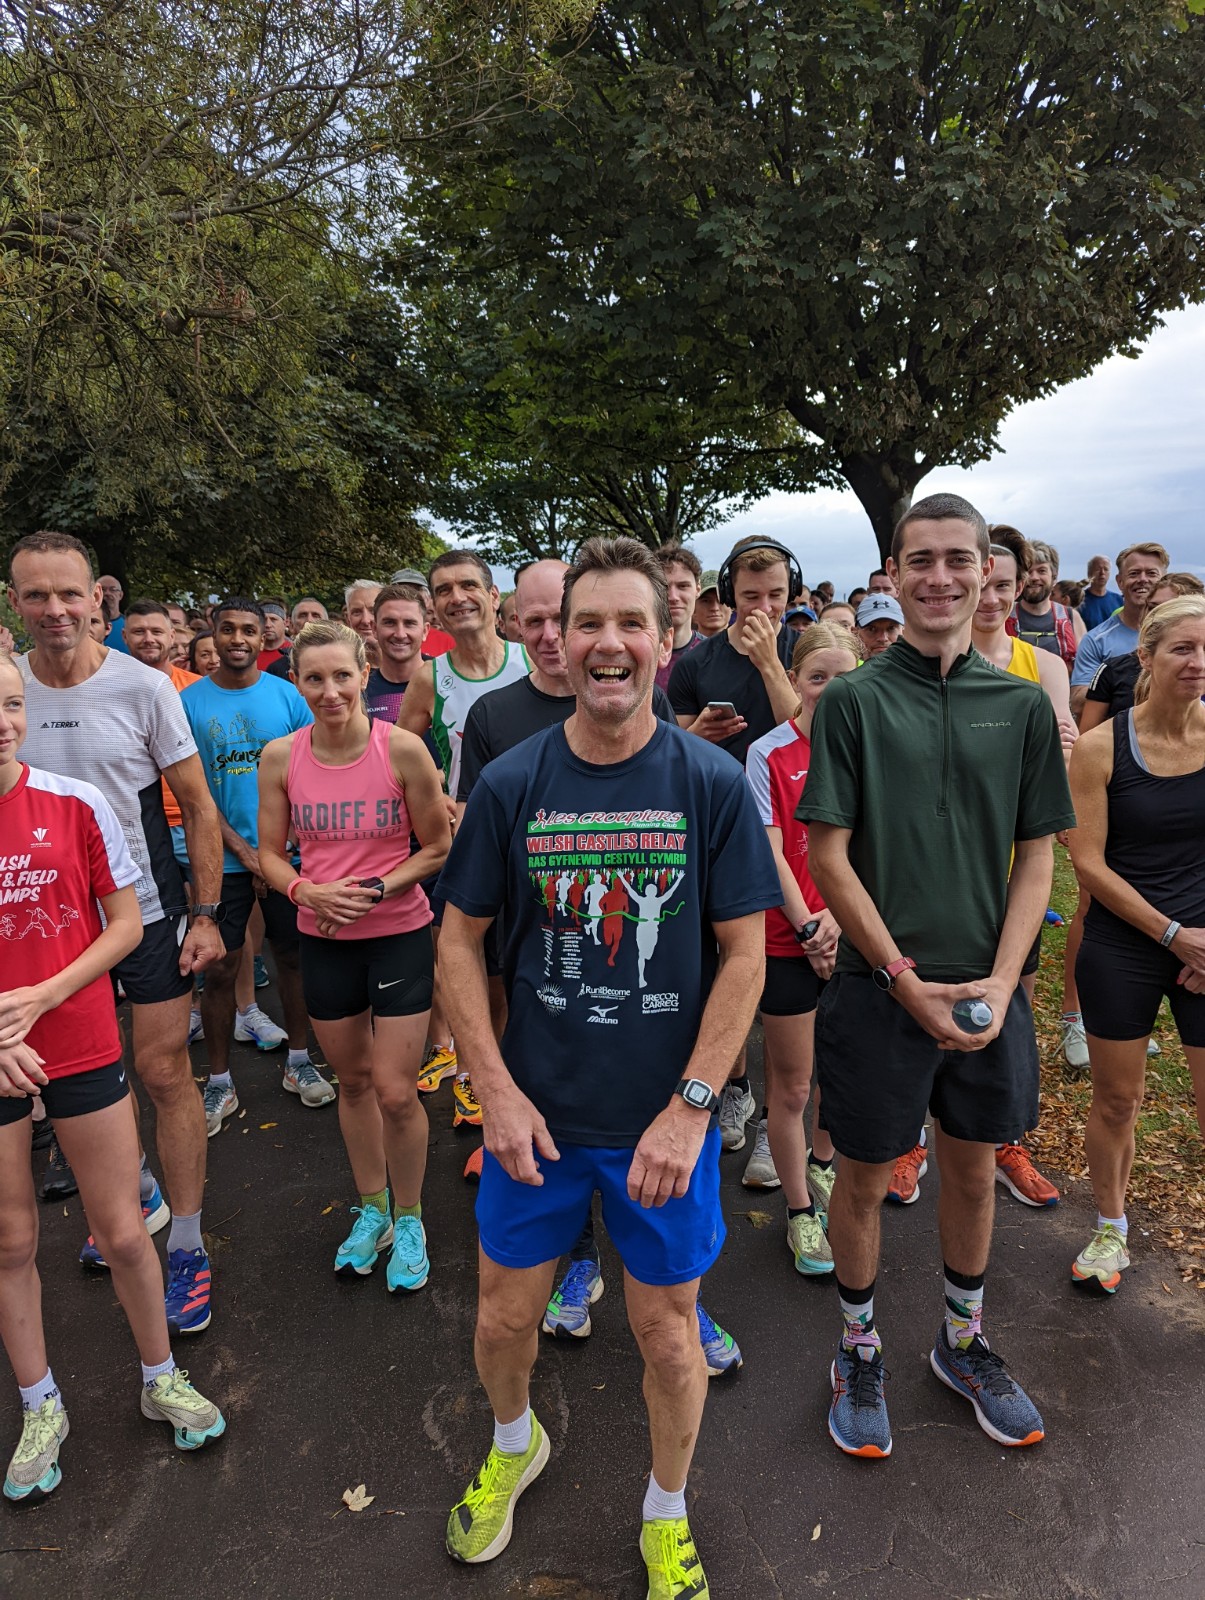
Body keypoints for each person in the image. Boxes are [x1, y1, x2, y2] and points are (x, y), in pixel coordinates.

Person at [436, 536, 779, 1592]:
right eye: (587, 622)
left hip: (657, 1126)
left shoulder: (710, 782)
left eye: (631, 622)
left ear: (666, 640)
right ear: (556, 636)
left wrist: (689, 1108)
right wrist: (490, 1089)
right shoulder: (509, 780)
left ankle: (664, 1510)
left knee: (666, 1336)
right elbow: (456, 939)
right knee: (501, 1314)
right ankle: (510, 1445)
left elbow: (742, 954)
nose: (607, 642)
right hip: (534, 1120)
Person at [799, 492, 1075, 1459]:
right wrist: (904, 978)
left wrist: (1001, 986)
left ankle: (961, 1344)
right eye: (920, 560)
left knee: (969, 1169)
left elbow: (1037, 855)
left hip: (984, 990)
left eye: (959, 559)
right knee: (866, 1177)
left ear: (985, 571)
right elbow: (828, 856)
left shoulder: (1021, 704)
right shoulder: (855, 701)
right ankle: (858, 1348)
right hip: (882, 992)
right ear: (893, 571)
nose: (941, 578)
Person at [0, 648, 225, 1503]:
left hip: (80, 1034)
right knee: (12, 1238)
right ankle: (39, 1402)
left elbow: (127, 923)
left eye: (12, 705)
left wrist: (42, 995)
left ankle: (159, 1375)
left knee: (126, 1230)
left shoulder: (77, 801)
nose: (2, 722)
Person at [10, 532, 226, 1336]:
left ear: (99, 596)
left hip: (146, 909)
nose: (55, 610)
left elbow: (199, 806)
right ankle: (130, 1200)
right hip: (50, 926)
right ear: (16, 602)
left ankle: (190, 1248)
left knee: (162, 1072)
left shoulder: (142, 687)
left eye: (70, 594)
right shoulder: (12, 693)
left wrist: (205, 914)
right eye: (37, 595)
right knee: (78, 1084)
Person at [258, 621, 451, 1287]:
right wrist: (307, 891)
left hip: (395, 934)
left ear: (363, 674)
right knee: (355, 1083)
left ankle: (412, 1214)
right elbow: (268, 854)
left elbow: (435, 847)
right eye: (315, 678)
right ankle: (372, 1209)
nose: (330, 690)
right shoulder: (281, 756)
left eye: (342, 675)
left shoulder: (401, 750)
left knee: (398, 1091)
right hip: (326, 942)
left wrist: (372, 887)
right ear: (297, 683)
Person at [1067, 596, 1205, 1293]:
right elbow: (1086, 863)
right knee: (1116, 1101)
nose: (1198, 662)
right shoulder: (1099, 748)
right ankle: (1109, 1228)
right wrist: (1174, 937)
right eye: (1182, 648)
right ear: (1143, 658)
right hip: (1126, 944)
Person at [180, 598, 335, 1133]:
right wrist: (247, 855)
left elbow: (308, 773)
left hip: (287, 855)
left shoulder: (287, 695)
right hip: (219, 858)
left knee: (291, 958)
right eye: (228, 630)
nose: (239, 638)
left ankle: (299, 1062)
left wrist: (275, 852)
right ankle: (219, 1082)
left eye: (249, 629)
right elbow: (195, 793)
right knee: (220, 968)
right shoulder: (190, 703)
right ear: (213, 636)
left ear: (263, 636)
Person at [398, 552, 530, 1127]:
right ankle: (477, 1076)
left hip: (539, 835)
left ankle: (512, 1071)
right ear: (434, 608)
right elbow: (398, 756)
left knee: (525, 964)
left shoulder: (530, 661)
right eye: (445, 590)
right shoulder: (432, 675)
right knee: (471, 962)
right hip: (469, 839)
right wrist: (436, 802)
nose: (458, 597)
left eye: (469, 585)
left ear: (494, 595)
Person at [745, 623, 856, 1273]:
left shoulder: (871, 749)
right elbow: (768, 846)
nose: (830, 690)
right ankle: (798, 1213)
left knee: (838, 1078)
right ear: (794, 682)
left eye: (844, 678)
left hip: (854, 938)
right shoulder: (767, 751)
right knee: (789, 1087)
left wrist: (842, 923)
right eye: (817, 678)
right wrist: (812, 927)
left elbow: (872, 847)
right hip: (787, 942)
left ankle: (822, 1165)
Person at [668, 535, 799, 766]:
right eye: (751, 596)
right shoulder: (694, 664)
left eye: (776, 594)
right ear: (729, 595)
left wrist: (769, 663)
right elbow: (674, 757)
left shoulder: (810, 654)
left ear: (792, 590)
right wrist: (695, 735)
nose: (765, 607)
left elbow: (807, 740)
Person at [1081, 572, 1205, 731]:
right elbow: (1086, 737)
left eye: (1171, 608)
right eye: (1153, 607)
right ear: (1144, 657)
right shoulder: (1114, 669)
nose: (1198, 663)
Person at [1070, 543, 1170, 718]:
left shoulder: (1186, 636)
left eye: (1152, 573)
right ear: (1120, 582)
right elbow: (1078, 703)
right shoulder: (1096, 640)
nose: (1143, 579)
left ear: (1164, 580)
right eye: (1134, 573)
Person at [1005, 536, 1084, 671]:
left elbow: (1084, 668)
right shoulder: (1004, 615)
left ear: (1054, 576)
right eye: (1029, 571)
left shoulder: (1071, 617)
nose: (1034, 577)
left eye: (1041, 571)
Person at [652, 543, 703, 690]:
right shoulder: (637, 653)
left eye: (683, 586)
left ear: (697, 589)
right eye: (665, 587)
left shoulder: (714, 656)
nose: (673, 597)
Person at [1079, 555, 1124, 632]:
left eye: (1106, 569)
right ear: (1089, 573)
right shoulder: (1079, 601)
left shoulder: (1119, 600)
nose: (1102, 573)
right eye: (1097, 569)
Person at [855, 594, 903, 658]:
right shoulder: (844, 667)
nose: (883, 638)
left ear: (903, 631)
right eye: (871, 629)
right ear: (856, 633)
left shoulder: (918, 666)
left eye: (891, 628)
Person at [691, 570, 728, 639]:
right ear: (693, 611)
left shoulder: (748, 645)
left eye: (721, 600)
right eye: (706, 601)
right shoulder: (672, 646)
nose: (715, 608)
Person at [256, 597, 290, 670]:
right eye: (264, 620)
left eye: (273, 619)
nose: (268, 625)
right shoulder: (250, 652)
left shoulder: (296, 652)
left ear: (286, 623)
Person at [98, 574, 127, 653]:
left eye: (113, 589)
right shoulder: (86, 625)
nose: (107, 593)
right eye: (103, 589)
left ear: (120, 595)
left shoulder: (128, 624)